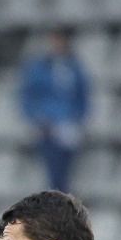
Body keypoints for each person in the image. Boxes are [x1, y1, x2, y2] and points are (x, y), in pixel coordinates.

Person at [18, 27, 90, 192]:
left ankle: (62, 202)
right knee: (53, 173)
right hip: (47, 126)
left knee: (65, 173)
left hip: (69, 125)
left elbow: (82, 97)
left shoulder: (75, 67)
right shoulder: (38, 68)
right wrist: (38, 117)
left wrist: (80, 119)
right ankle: (55, 203)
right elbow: (27, 96)